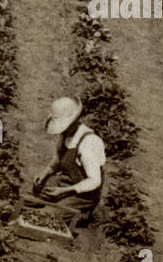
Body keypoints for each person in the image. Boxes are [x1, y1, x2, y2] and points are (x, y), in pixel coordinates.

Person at [28, 97, 106, 231]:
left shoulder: (89, 143)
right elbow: (59, 158)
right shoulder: (66, 134)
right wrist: (45, 173)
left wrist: (64, 191)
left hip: (83, 195)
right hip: (65, 182)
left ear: (74, 121)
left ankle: (85, 213)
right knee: (29, 196)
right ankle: (59, 203)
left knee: (46, 216)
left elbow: (94, 180)